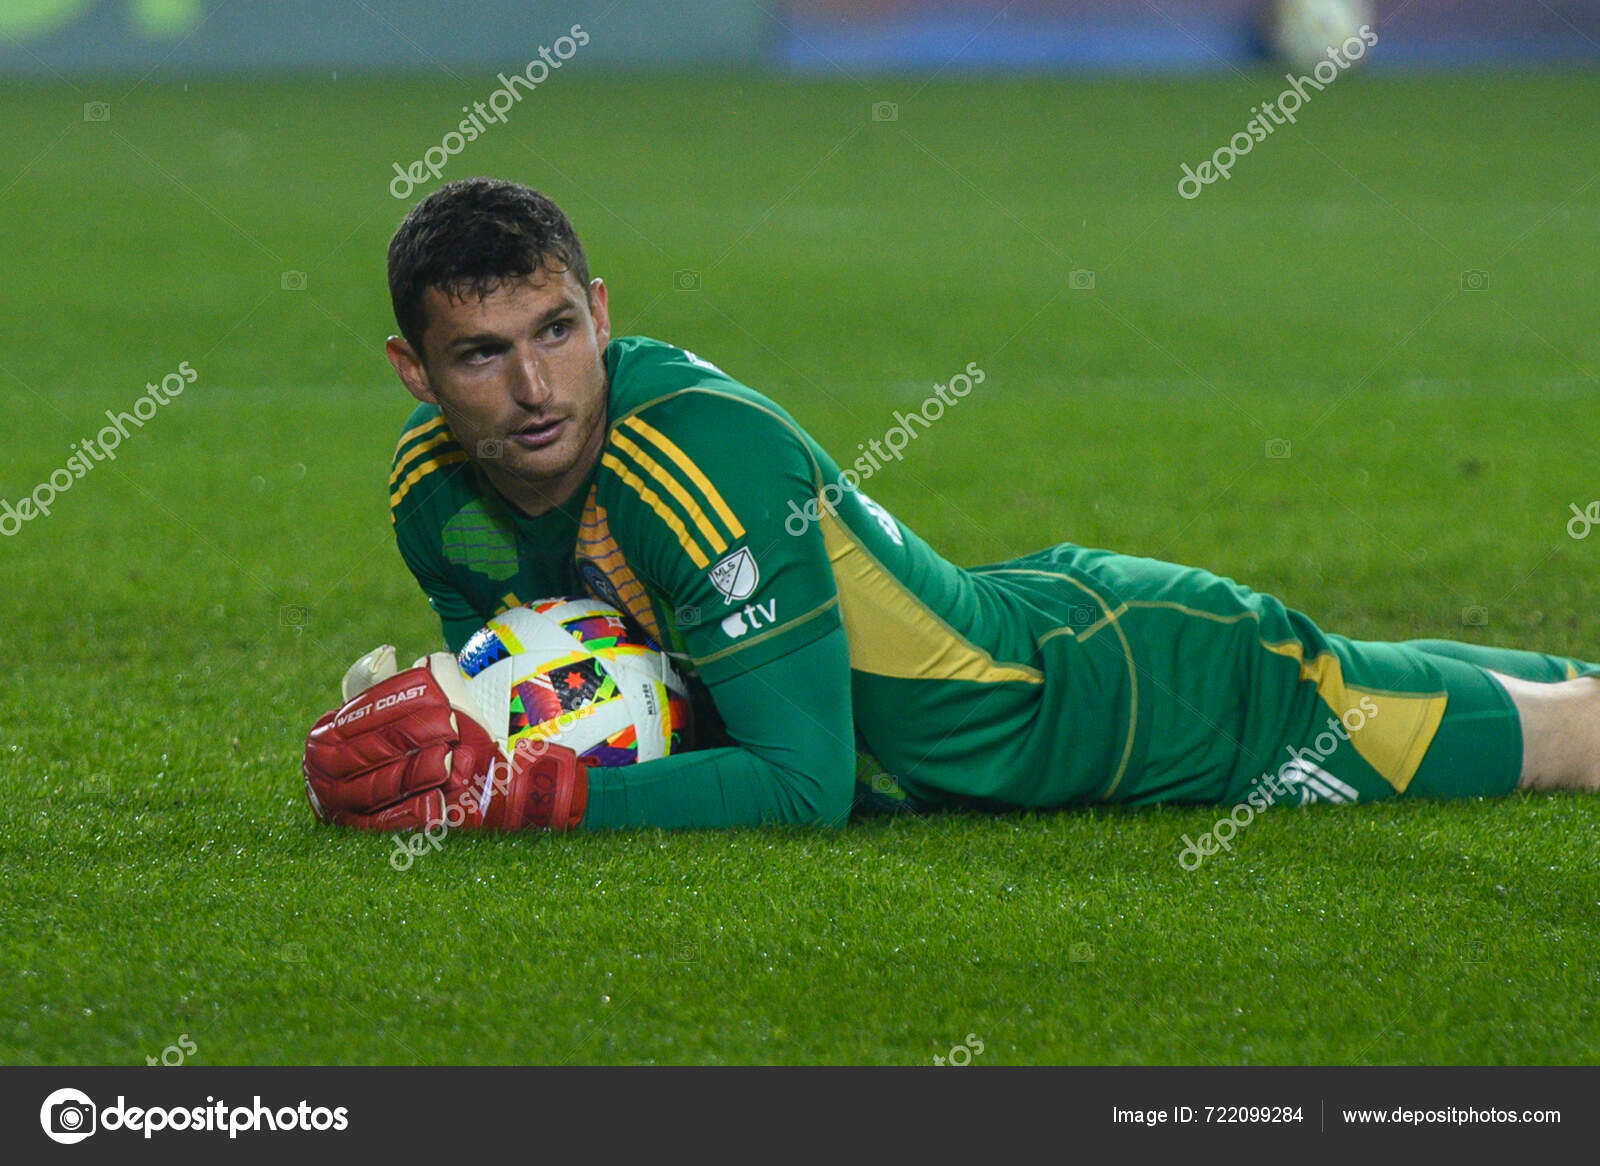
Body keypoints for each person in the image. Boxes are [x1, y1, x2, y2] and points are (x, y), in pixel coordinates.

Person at [301, 177, 1600, 833]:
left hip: (1150, 708)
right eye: (482, 354)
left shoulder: (690, 462)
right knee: (1498, 685)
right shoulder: (434, 502)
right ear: (416, 374)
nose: (536, 386)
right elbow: (622, 683)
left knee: (1568, 744)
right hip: (1065, 640)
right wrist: (486, 716)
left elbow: (802, 787)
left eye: (559, 329)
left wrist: (533, 797)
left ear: (603, 313)